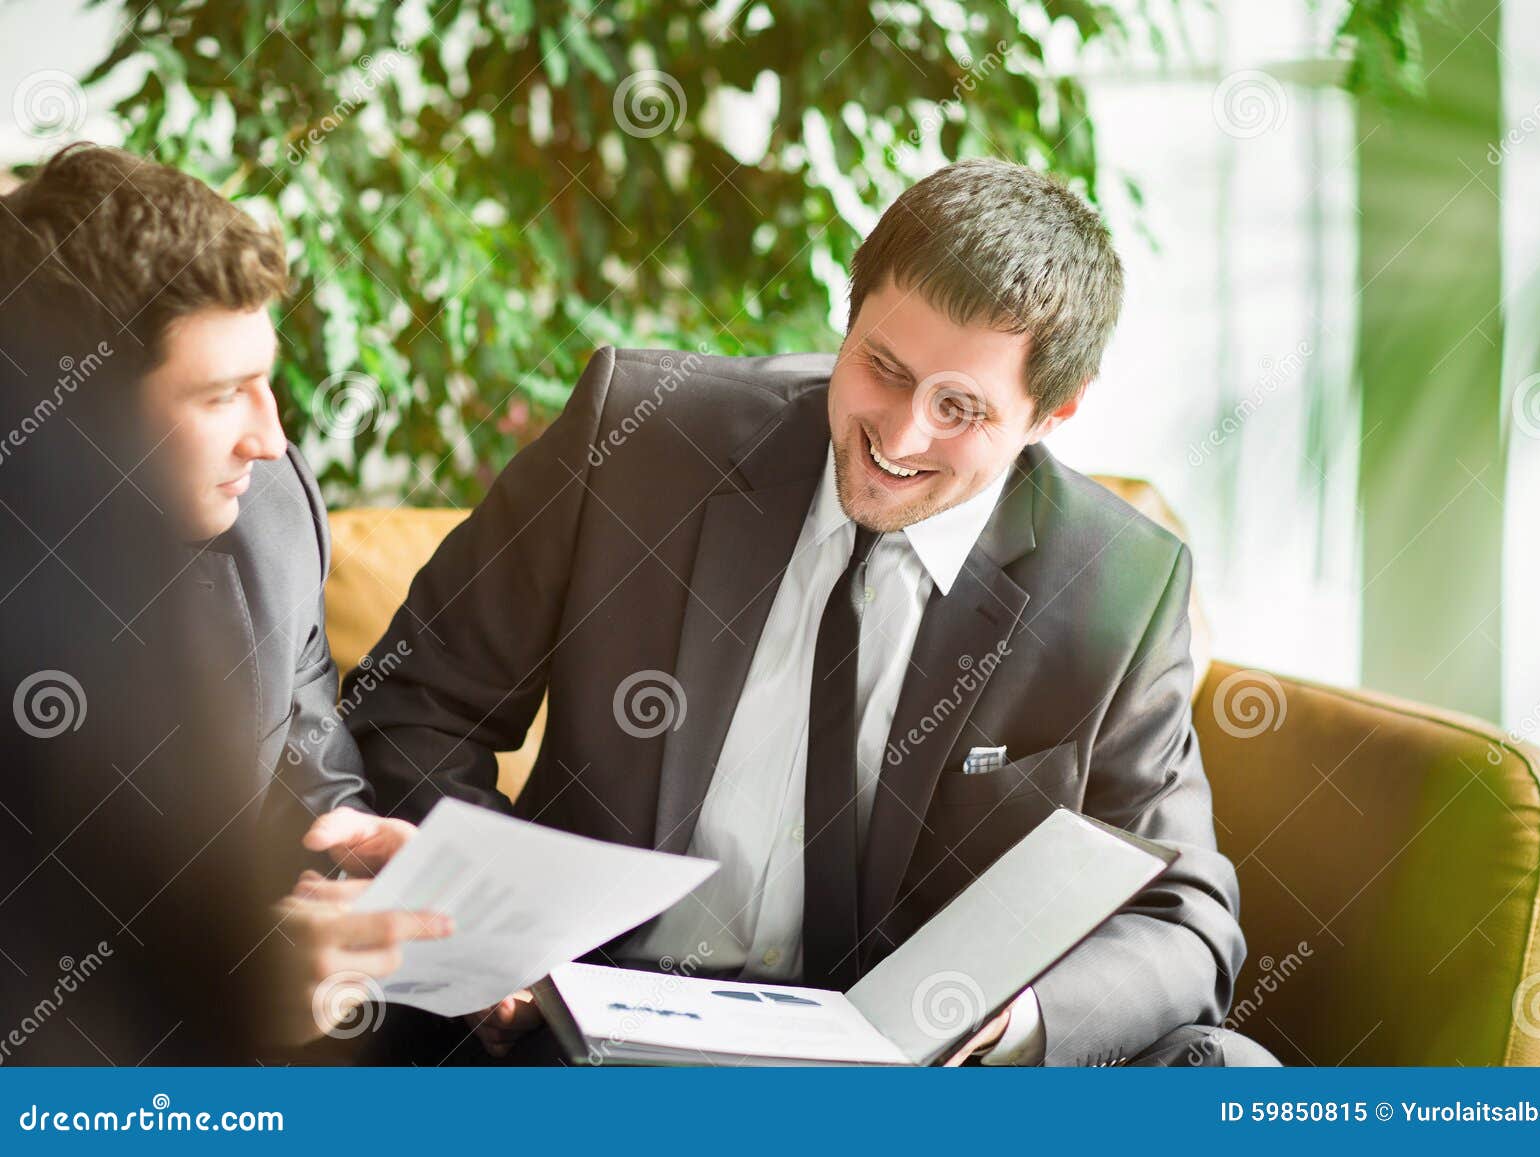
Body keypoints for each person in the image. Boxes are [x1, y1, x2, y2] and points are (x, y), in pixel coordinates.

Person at [336, 157, 1281, 1067]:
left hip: (911, 1082)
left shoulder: (1118, 584)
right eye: (884, 366)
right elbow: (413, 704)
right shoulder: (636, 440)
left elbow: (1182, 918)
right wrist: (496, 931)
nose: (901, 432)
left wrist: (1011, 1020)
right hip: (588, 1041)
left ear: (1053, 414)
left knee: (1226, 1070)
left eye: (961, 407)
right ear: (851, 314)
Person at [0, 143, 444, 1061]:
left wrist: (359, 883)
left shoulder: (271, 515)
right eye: (220, 395)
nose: (271, 437)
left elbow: (306, 779)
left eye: (264, 379)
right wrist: (223, 981)